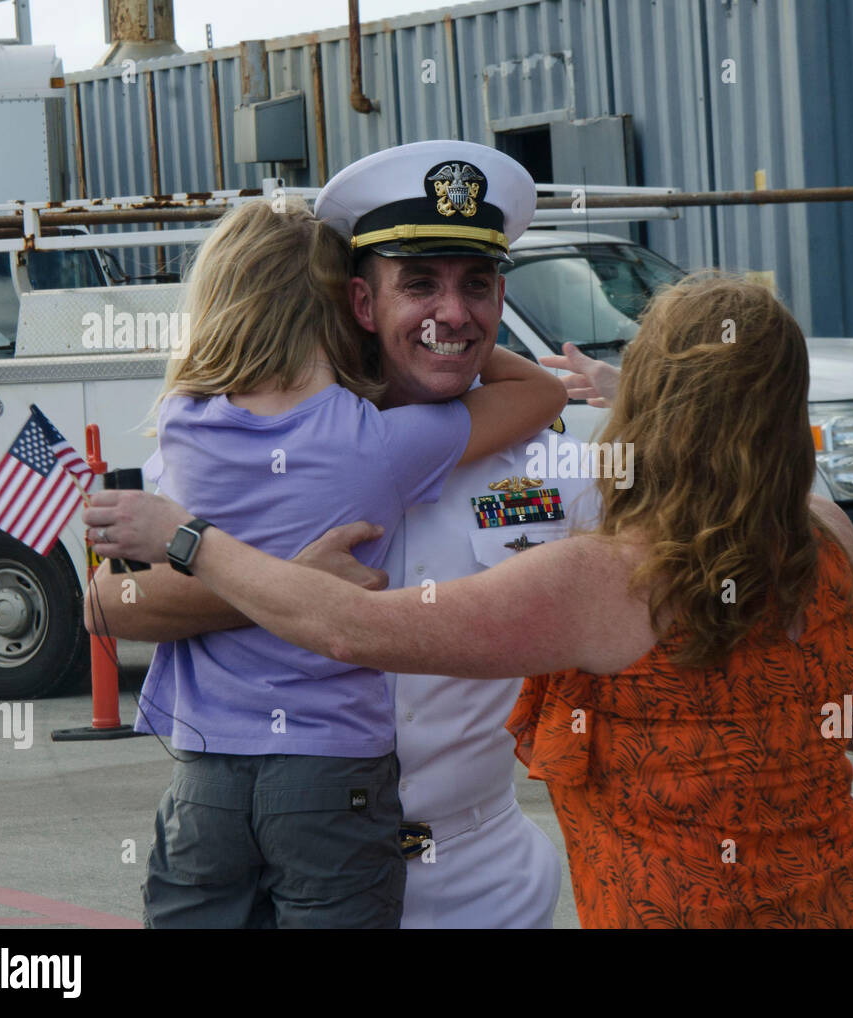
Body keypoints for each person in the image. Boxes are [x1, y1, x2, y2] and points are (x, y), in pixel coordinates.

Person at [86, 272, 853, 929]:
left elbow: (350, 626)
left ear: (652, 403)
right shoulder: (827, 538)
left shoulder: (606, 577)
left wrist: (192, 539)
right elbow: (764, 695)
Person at [85, 140, 586, 928]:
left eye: (478, 287)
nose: (453, 314)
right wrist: (289, 584)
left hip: (479, 879)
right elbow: (111, 602)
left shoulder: (557, 463)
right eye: (419, 284)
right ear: (360, 303)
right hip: (304, 862)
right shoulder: (270, 439)